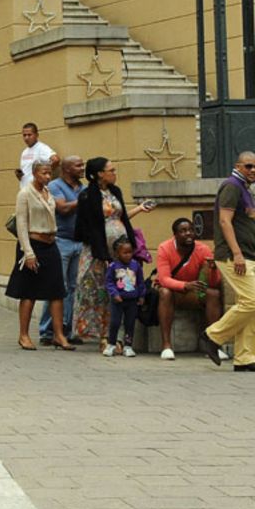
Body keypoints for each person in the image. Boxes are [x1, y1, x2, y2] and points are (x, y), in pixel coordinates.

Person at [73, 157, 152, 351]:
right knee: (99, 292)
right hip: (98, 253)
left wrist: (138, 212)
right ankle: (103, 336)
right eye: (111, 170)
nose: (115, 173)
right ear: (100, 173)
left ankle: (116, 336)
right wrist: (104, 255)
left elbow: (121, 217)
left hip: (120, 251)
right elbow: (90, 228)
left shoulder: (115, 192)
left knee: (121, 291)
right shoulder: (87, 196)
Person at [6, 159, 75, 351]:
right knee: (29, 291)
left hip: (51, 243)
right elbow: (21, 224)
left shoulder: (48, 192)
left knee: (57, 290)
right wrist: (28, 253)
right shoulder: (25, 194)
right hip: (32, 244)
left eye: (49, 173)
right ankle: (24, 335)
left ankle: (59, 335)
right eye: (44, 173)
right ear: (35, 173)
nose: (47, 176)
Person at [201, 152, 255, 372]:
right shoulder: (232, 186)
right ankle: (212, 336)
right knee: (252, 300)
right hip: (234, 256)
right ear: (238, 166)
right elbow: (224, 221)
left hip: (248, 254)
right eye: (248, 166)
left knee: (249, 304)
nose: (253, 170)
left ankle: (244, 357)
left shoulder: (245, 189)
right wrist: (237, 253)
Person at [155, 217, 222, 361]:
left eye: (191, 230)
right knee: (164, 292)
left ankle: (214, 344)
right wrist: (184, 285)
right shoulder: (164, 248)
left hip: (195, 292)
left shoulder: (203, 249)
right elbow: (163, 279)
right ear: (175, 235)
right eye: (183, 231)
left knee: (214, 294)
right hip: (175, 292)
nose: (188, 234)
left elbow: (214, 282)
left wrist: (214, 270)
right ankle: (166, 345)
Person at [40, 154, 85, 346]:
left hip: (79, 241)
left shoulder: (83, 188)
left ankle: (67, 328)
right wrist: (84, 200)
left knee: (75, 288)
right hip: (61, 241)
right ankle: (47, 331)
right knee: (57, 286)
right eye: (78, 165)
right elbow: (63, 209)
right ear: (67, 169)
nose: (82, 168)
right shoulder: (55, 186)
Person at [103, 236, 145, 358]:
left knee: (130, 323)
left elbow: (140, 282)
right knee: (115, 322)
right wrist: (114, 293)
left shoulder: (136, 266)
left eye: (130, 252)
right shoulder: (113, 266)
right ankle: (111, 344)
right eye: (124, 253)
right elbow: (109, 282)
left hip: (132, 300)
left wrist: (141, 295)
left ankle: (128, 346)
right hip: (118, 300)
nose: (128, 255)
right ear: (117, 253)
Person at [16, 122, 57, 187]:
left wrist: (46, 174)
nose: (26, 138)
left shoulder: (41, 148)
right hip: (25, 189)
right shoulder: (24, 152)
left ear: (37, 135)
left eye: (29, 135)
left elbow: (56, 160)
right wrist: (19, 175)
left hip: (37, 191)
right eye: (24, 135)